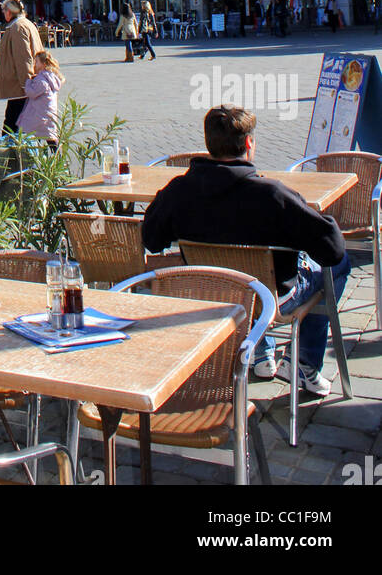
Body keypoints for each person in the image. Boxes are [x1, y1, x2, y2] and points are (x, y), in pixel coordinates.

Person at [142, 104, 350, 396]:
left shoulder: (179, 190)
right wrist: (322, 220)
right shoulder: (273, 195)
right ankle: (304, 360)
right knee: (337, 266)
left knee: (251, 271)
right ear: (249, 143)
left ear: (208, 143)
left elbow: (151, 239)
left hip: (210, 293)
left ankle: (263, 354)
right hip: (272, 301)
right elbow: (333, 251)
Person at [0, 0, 42, 133]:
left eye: (4, 10)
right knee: (17, 121)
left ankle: (6, 152)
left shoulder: (17, 27)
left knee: (12, 123)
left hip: (20, 86)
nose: (3, 13)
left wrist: (27, 85)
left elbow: (24, 58)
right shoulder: (26, 24)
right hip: (25, 84)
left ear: (9, 12)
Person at [18, 50, 65, 147]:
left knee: (36, 133)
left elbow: (32, 93)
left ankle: (38, 156)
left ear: (43, 64)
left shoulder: (42, 79)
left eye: (37, 62)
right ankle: (57, 158)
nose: (35, 64)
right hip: (47, 111)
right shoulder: (51, 76)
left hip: (40, 114)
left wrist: (28, 82)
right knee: (49, 136)